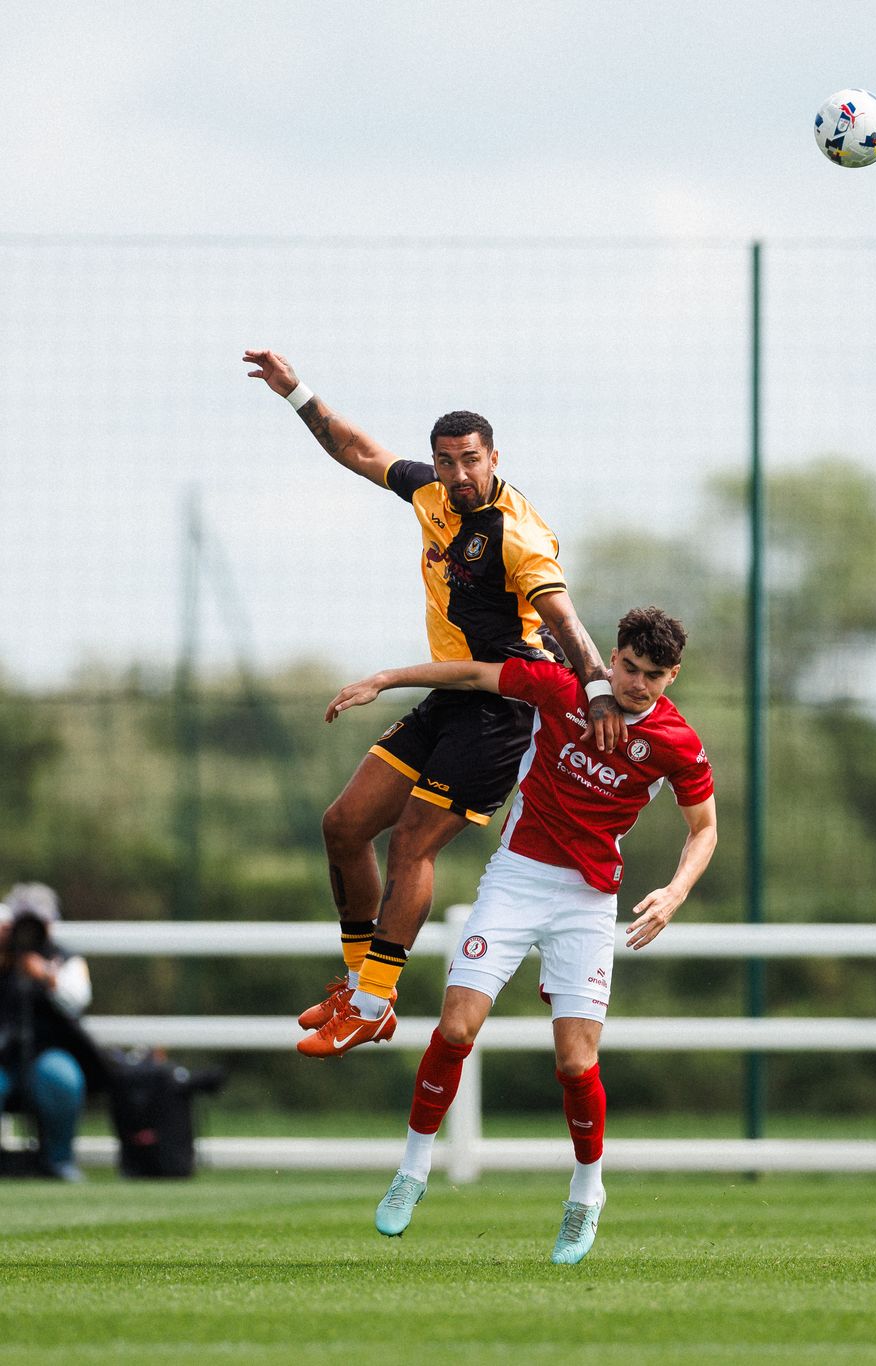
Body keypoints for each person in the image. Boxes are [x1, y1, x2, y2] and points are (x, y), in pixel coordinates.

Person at [243, 350, 627, 1057]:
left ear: (494, 458)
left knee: (412, 840)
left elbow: (566, 622)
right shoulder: (431, 496)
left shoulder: (519, 533)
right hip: (451, 694)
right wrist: (295, 391)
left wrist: (599, 690)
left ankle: (374, 999)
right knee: (344, 825)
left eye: (469, 461)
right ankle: (363, 992)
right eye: (445, 461)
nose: (456, 474)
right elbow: (357, 450)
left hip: (504, 706)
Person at [325, 606, 717, 1264]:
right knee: (455, 1029)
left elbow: (703, 828)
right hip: (517, 878)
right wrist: (386, 678)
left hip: (589, 900)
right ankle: (412, 1172)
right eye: (627, 666)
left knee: (574, 1063)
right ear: (610, 657)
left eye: (652, 675)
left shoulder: (675, 741)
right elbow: (476, 674)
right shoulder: (561, 689)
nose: (636, 683)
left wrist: (675, 892)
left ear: (671, 676)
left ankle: (586, 1192)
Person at [0, 884, 97, 1181]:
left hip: (47, 1053)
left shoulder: (65, 959)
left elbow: (79, 999)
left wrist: (46, 977)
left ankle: (58, 1159)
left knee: (62, 1079)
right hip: (4, 1055)